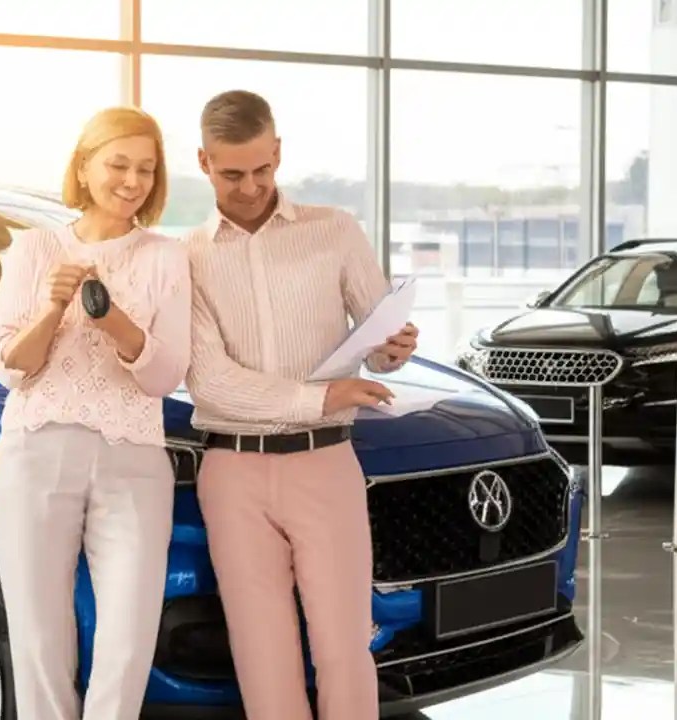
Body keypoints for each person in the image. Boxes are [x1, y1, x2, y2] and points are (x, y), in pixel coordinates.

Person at [182, 90, 418, 719]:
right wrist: (321, 396)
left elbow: (377, 346)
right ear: (203, 162)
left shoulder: (334, 229)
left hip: (325, 464)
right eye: (233, 174)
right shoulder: (187, 258)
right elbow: (210, 382)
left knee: (343, 648)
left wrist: (394, 350)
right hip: (231, 472)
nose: (252, 186)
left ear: (278, 151)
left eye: (263, 168)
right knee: (263, 658)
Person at [0, 106, 192, 720]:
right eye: (118, 164)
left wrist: (112, 320)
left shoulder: (167, 257)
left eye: (147, 170)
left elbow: (165, 375)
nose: (133, 182)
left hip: (132, 461)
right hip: (35, 454)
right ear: (84, 165)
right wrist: (54, 309)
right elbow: (9, 368)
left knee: (128, 640)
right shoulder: (33, 248)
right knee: (39, 639)